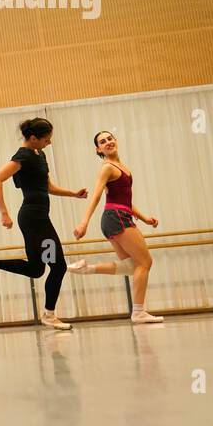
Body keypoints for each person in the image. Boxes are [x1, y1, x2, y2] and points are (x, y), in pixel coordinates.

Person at [0, 117, 86, 330]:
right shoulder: (23, 156)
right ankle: (49, 315)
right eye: (46, 139)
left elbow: (48, 186)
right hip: (34, 219)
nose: (49, 143)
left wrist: (73, 194)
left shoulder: (39, 154)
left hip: (38, 218)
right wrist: (3, 213)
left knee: (36, 269)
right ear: (33, 138)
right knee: (58, 266)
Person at [69, 131, 163, 323]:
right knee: (145, 262)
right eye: (102, 142)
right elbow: (96, 196)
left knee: (132, 266)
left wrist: (144, 218)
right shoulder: (107, 168)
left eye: (110, 138)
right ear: (98, 149)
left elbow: (125, 200)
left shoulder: (123, 168)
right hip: (116, 217)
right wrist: (84, 221)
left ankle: (88, 268)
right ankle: (138, 312)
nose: (108, 142)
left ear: (116, 140)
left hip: (117, 215)